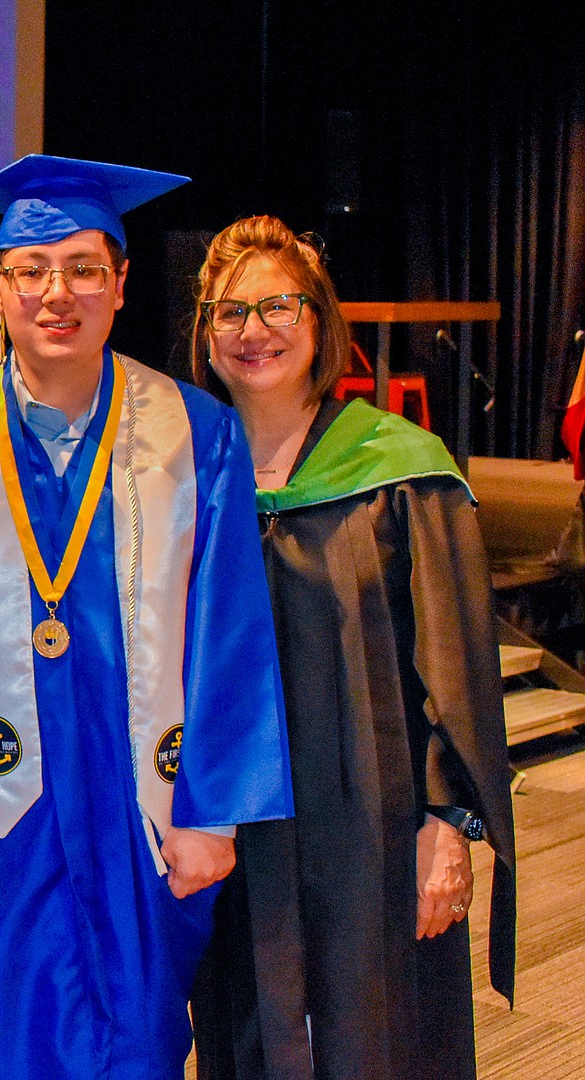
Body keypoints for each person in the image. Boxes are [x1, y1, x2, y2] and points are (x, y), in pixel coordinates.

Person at [0, 155, 296, 1080]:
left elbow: (229, 629)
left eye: (85, 268)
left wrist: (215, 815)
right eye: (32, 270)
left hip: (143, 809)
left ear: (121, 284)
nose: (58, 293)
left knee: (139, 1035)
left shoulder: (194, 431)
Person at [185, 215, 516, 1080]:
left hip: (372, 825)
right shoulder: (184, 472)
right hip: (236, 826)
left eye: (278, 307)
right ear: (205, 334)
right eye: (229, 313)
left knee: (377, 1036)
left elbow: (455, 668)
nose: (253, 332)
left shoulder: (401, 469)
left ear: (321, 320)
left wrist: (447, 824)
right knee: (244, 1028)